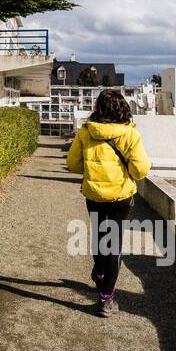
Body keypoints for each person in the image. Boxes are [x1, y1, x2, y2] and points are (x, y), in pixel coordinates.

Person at [65, 89, 152, 318]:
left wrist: (93, 172)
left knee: (98, 235)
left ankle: (100, 272)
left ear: (98, 108)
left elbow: (73, 164)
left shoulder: (86, 132)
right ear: (122, 107)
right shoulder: (130, 135)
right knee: (114, 245)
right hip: (120, 198)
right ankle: (106, 299)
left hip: (93, 196)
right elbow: (141, 169)